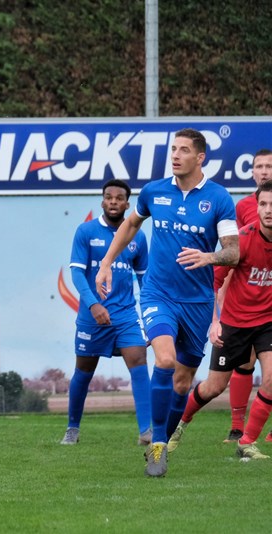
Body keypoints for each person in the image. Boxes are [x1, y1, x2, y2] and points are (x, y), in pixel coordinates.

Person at [95, 128, 239, 477]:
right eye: (173, 149)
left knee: (182, 381)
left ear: (200, 157)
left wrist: (209, 258)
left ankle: (167, 433)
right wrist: (105, 263)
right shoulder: (154, 192)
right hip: (158, 294)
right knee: (164, 358)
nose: (175, 155)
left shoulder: (219, 198)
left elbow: (234, 252)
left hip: (198, 302)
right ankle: (157, 443)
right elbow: (130, 225)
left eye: (184, 150)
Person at [167, 181, 272, 460]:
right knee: (214, 387)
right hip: (234, 324)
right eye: (263, 204)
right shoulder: (243, 240)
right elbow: (214, 283)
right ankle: (180, 425)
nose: (268, 210)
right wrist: (215, 322)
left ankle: (246, 442)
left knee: (271, 379)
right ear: (256, 206)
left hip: (267, 323)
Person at [60, 179, 151, 446]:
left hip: (125, 315)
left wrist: (148, 317)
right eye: (108, 197)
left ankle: (146, 431)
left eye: (118, 198)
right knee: (84, 371)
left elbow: (144, 280)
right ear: (102, 201)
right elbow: (76, 273)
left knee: (138, 360)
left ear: (127, 204)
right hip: (92, 316)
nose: (113, 201)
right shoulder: (86, 231)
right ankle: (72, 428)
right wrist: (94, 304)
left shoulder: (138, 236)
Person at [221, 149, 272, 443]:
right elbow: (234, 254)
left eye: (269, 166)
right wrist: (225, 288)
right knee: (246, 360)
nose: (264, 171)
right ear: (252, 172)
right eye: (259, 167)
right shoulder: (243, 207)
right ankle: (238, 427)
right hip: (253, 294)